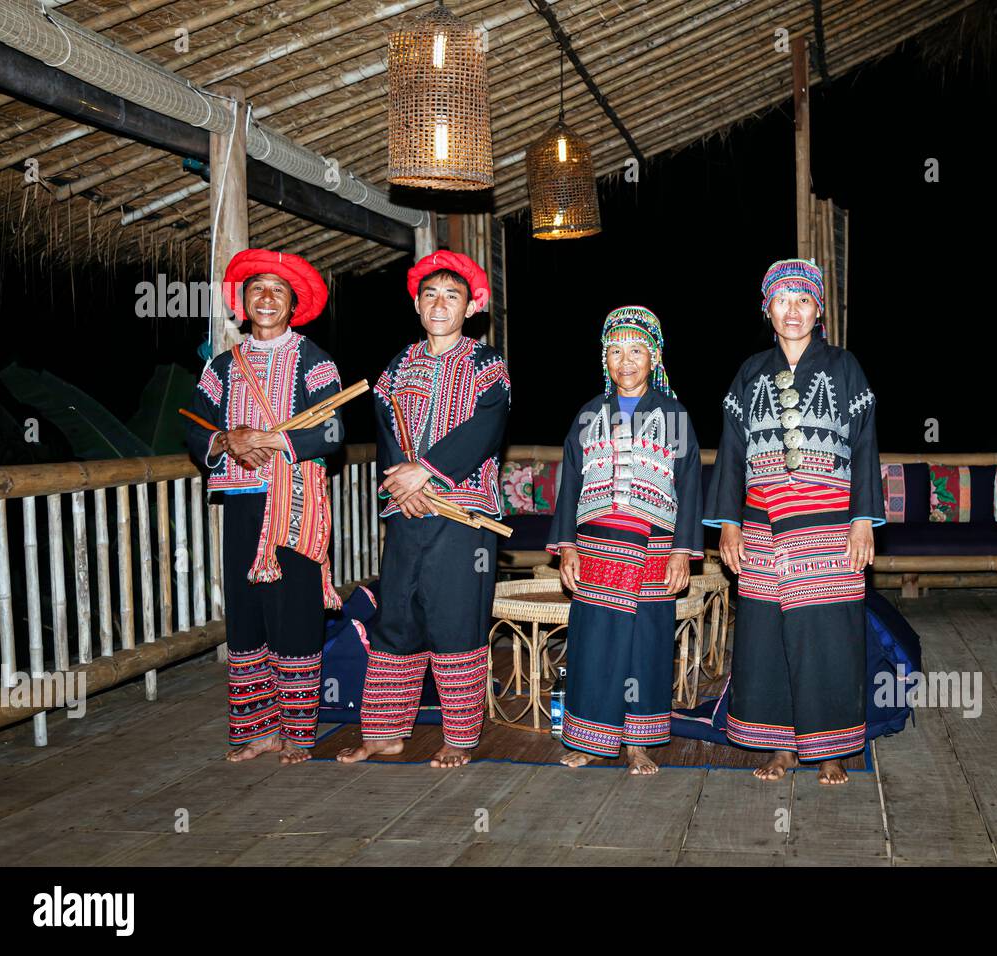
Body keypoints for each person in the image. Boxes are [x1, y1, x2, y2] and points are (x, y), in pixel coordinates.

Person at [703, 258, 885, 785]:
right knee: (765, 635)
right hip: (761, 525)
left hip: (829, 527)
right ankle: (779, 746)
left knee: (827, 634)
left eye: (803, 300)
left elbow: (865, 446)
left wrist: (862, 522)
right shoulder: (750, 372)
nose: (792, 310)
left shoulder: (845, 367)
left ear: (818, 309)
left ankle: (829, 747)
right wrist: (729, 525)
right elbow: (732, 452)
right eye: (782, 300)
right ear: (768, 309)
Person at [337, 251, 509, 769]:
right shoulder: (396, 368)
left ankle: (459, 735)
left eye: (452, 296)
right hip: (407, 512)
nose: (440, 304)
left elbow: (486, 428)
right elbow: (386, 430)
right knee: (397, 617)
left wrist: (427, 472)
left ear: (470, 307)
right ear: (416, 304)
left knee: (456, 619)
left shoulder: (488, 366)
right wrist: (403, 486)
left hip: (466, 516)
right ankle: (386, 732)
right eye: (430, 294)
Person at [185, 248, 344, 765]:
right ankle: (259, 730)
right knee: (248, 615)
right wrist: (228, 438)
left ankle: (299, 731)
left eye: (278, 289)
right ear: (244, 303)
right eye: (257, 289)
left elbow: (333, 430)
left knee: (294, 611)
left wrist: (270, 441)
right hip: (241, 505)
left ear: (293, 302)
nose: (267, 297)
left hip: (295, 503)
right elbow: (194, 427)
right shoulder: (221, 367)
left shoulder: (315, 361)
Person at [547, 307, 703, 775]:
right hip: (595, 548)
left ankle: (639, 744)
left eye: (636, 350)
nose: (626, 360)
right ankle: (591, 740)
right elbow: (569, 484)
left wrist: (681, 551)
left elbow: (690, 485)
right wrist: (567, 547)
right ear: (605, 359)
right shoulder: (588, 414)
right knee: (594, 643)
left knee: (646, 643)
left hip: (654, 549)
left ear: (653, 356)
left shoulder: (674, 415)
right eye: (616, 351)